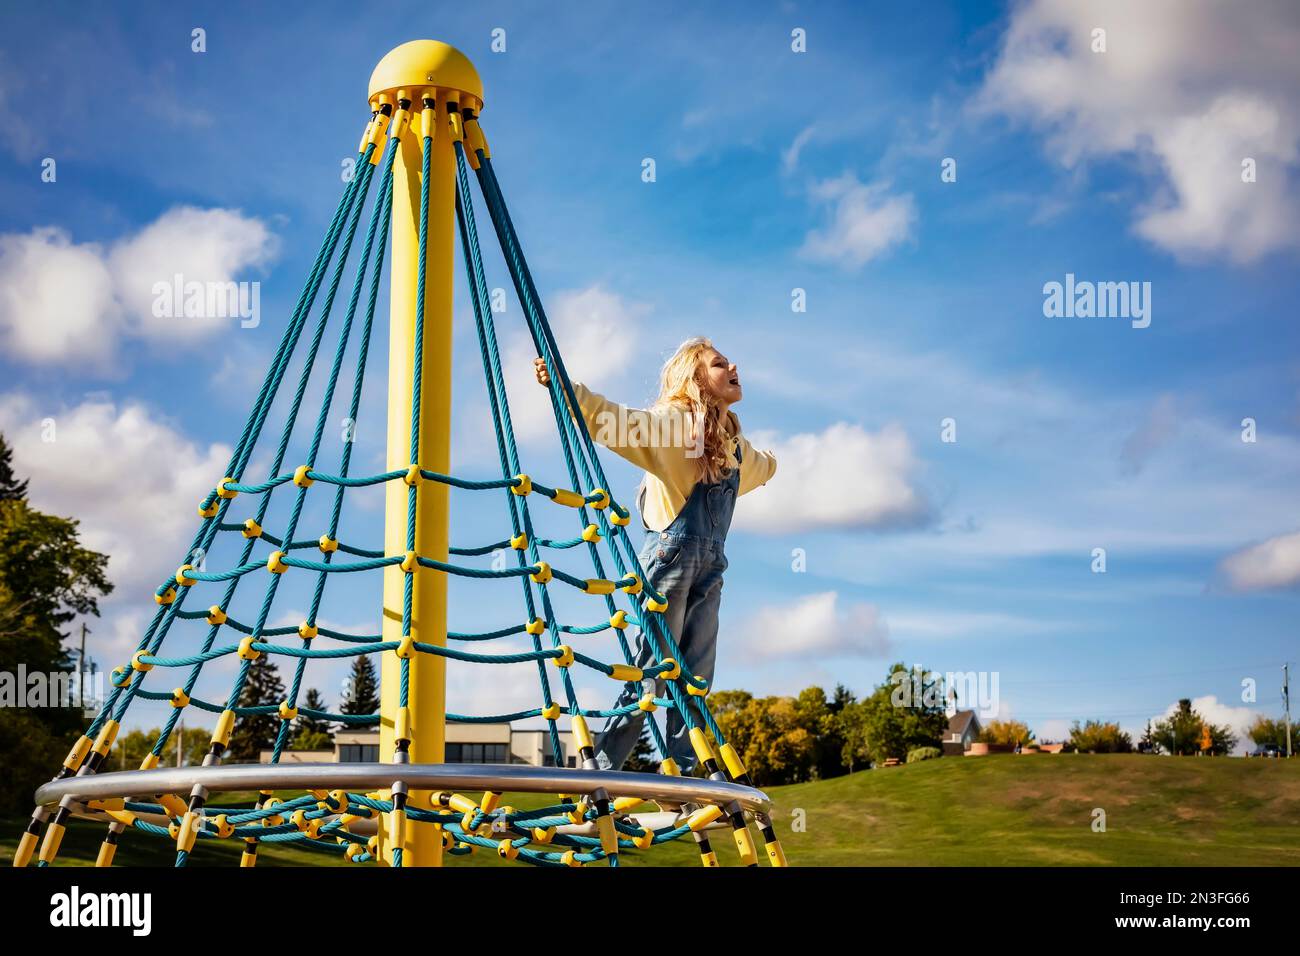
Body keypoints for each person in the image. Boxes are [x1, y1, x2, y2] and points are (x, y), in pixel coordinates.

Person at [533, 336, 776, 774]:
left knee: (696, 678)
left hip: (711, 569)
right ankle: (602, 771)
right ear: (697, 378)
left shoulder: (735, 445)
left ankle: (682, 776)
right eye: (720, 363)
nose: (734, 366)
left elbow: (760, 465)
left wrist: (773, 464)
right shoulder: (676, 424)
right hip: (669, 561)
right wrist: (571, 392)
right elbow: (622, 424)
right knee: (651, 671)